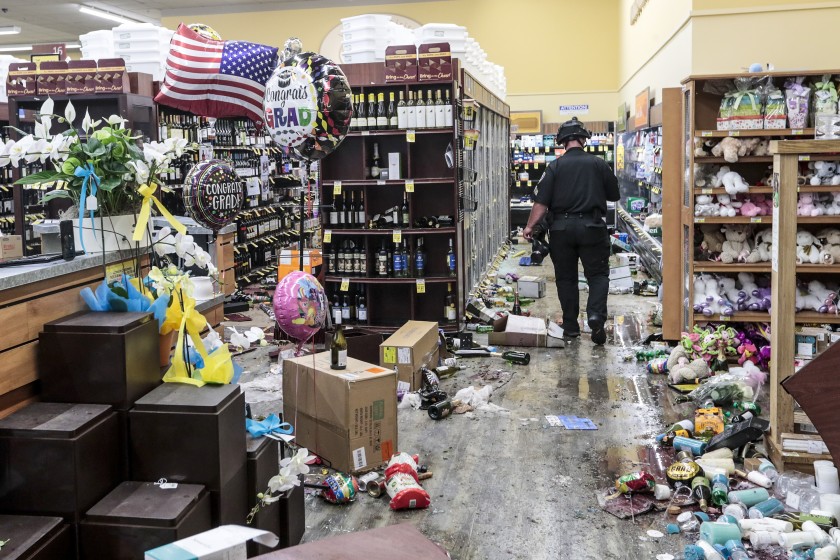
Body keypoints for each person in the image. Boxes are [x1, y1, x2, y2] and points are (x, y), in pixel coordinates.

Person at [523, 117, 620, 345]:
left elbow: (540, 203)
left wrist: (529, 226)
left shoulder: (554, 167)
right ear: (583, 139)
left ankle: (571, 327)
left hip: (561, 230)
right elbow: (614, 195)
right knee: (597, 275)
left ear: (562, 142)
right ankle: (595, 316)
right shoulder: (598, 164)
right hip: (593, 227)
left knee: (566, 279)